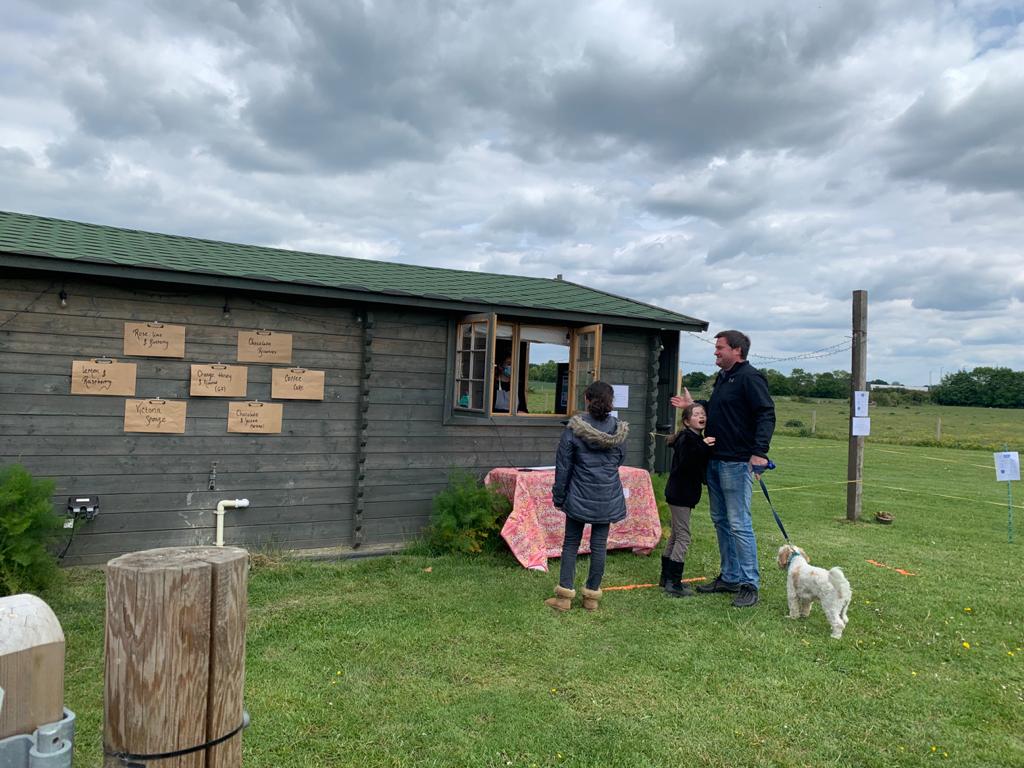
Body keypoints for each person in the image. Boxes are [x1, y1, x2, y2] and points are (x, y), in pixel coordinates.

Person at [671, 330, 775, 608]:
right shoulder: (724, 378)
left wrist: (759, 453)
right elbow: (718, 410)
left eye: (720, 348)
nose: (715, 352)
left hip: (738, 461)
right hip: (715, 460)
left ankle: (749, 583)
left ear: (737, 350)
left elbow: (766, 413)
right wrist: (692, 405)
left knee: (739, 523)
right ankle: (729, 577)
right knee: (721, 521)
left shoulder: (750, 377)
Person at [545, 381, 629, 612]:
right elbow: (619, 460)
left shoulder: (573, 429)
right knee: (599, 545)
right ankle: (591, 598)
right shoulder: (619, 430)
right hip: (607, 495)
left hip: (579, 495)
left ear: (587, 399)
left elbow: (563, 467)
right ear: (611, 402)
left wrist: (559, 497)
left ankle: (564, 597)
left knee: (571, 543)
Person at [659, 403, 715, 597]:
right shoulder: (687, 439)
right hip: (680, 494)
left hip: (681, 494)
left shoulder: (693, 438)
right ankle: (674, 584)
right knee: (684, 537)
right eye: (696, 414)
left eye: (703, 414)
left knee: (675, 535)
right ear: (686, 421)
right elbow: (687, 463)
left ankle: (665, 578)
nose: (702, 416)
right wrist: (703, 446)